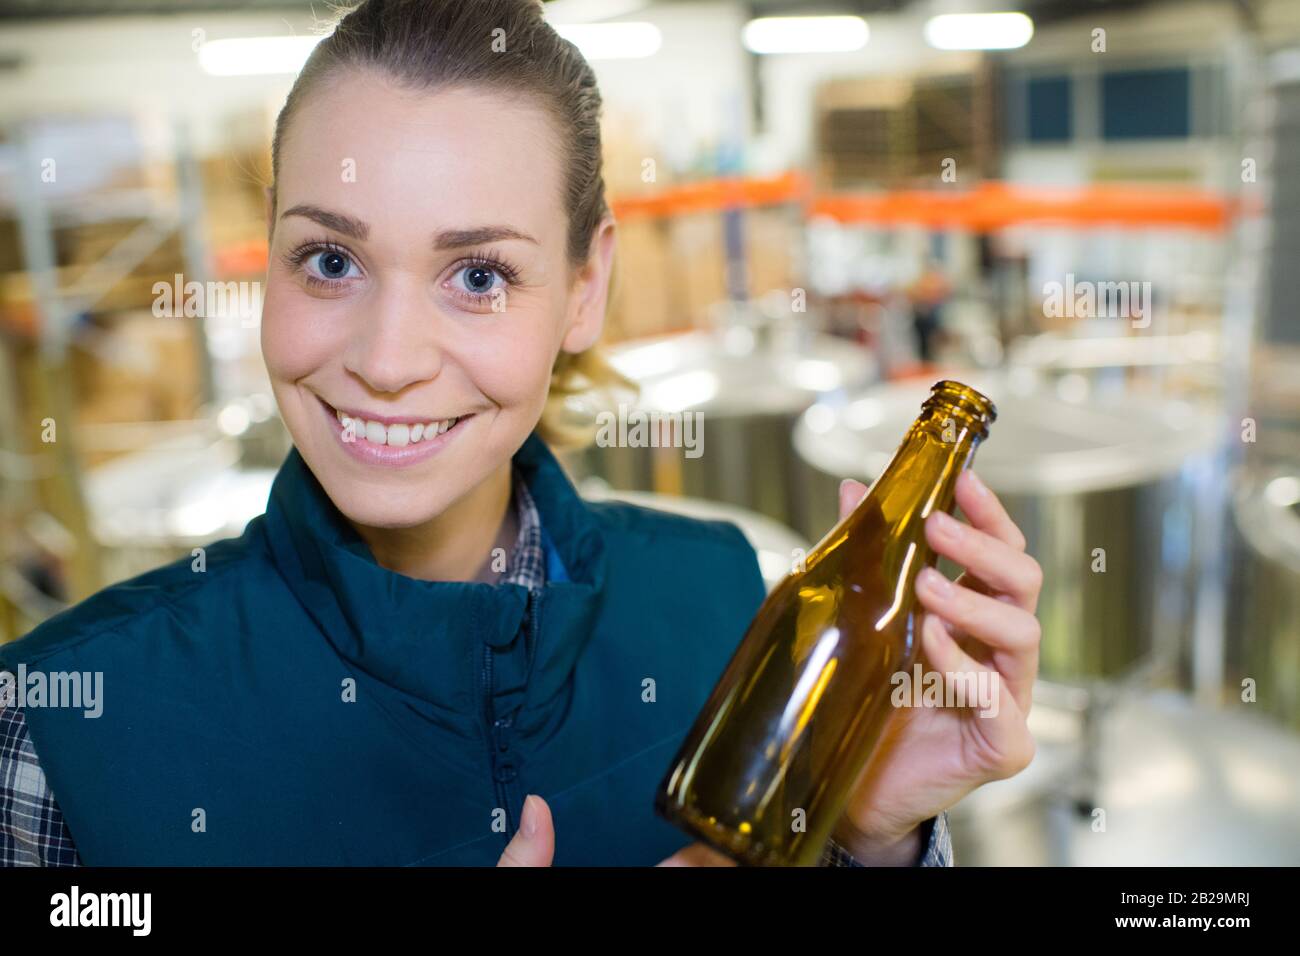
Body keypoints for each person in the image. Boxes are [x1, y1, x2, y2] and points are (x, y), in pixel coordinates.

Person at [0, 0, 1042, 867]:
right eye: (329, 259)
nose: (389, 357)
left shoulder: (728, 601)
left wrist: (869, 835)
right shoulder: (59, 728)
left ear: (584, 290)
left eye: (478, 276)